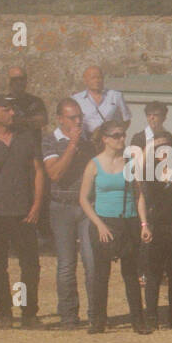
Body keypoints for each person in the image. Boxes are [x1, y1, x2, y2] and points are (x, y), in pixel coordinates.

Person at [0, 94, 45, 328]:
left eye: (13, 109)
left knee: (30, 265)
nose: (12, 113)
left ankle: (28, 311)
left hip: (24, 212)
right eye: (6, 109)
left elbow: (39, 171)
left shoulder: (26, 138)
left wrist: (36, 205)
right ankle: (4, 311)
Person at [79, 120, 151, 334]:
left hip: (127, 221)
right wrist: (99, 225)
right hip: (104, 222)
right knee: (101, 274)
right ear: (105, 139)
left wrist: (144, 223)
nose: (122, 139)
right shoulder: (94, 164)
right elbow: (83, 199)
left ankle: (138, 321)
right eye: (117, 135)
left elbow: (139, 195)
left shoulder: (130, 163)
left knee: (131, 274)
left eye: (123, 135)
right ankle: (98, 321)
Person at [42, 99, 96, 329]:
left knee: (92, 261)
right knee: (66, 263)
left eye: (79, 117)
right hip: (61, 206)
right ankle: (68, 316)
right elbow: (55, 174)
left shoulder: (88, 141)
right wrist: (73, 144)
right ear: (60, 119)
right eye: (72, 117)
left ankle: (96, 314)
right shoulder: (50, 140)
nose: (77, 121)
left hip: (86, 206)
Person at [138, 126, 172, 330]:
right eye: (159, 149)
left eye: (167, 148)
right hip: (156, 227)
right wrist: (144, 224)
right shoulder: (149, 173)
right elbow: (141, 198)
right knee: (153, 274)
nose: (163, 152)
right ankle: (151, 316)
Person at [72, 66, 131, 135]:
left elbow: (126, 120)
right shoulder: (76, 99)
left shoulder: (116, 96)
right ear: (85, 80)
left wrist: (117, 135)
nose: (97, 81)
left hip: (110, 140)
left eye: (99, 77)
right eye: (93, 78)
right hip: (87, 141)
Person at [5, 66, 46, 149]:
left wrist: (19, 121)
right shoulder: (4, 102)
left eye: (22, 79)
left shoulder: (36, 101)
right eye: (15, 79)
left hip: (34, 148)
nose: (19, 82)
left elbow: (42, 121)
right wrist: (31, 121)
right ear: (9, 81)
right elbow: (4, 123)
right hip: (12, 149)